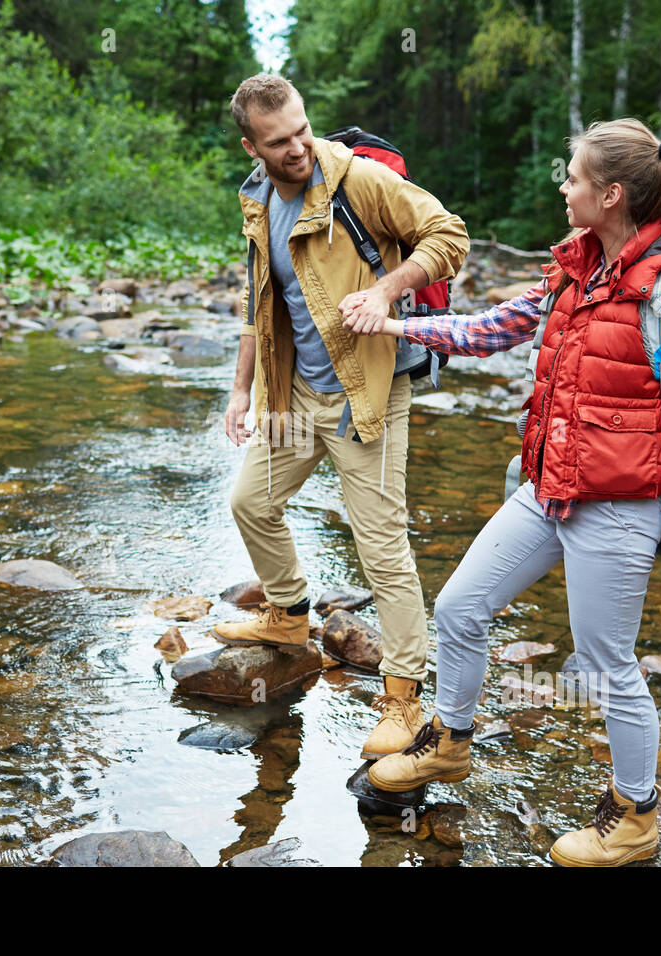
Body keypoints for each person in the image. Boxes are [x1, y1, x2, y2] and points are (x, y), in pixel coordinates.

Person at [350, 118, 661, 866]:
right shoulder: (575, 267)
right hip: (547, 490)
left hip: (620, 506)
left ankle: (634, 819)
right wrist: (399, 326)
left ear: (612, 194)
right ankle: (449, 745)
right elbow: (498, 328)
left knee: (604, 667)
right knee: (459, 608)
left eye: (574, 178)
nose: (564, 188)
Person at [212, 73, 469, 760]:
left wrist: (387, 290)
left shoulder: (359, 182)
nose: (299, 148)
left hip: (368, 397)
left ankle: (403, 697)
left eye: (302, 130)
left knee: (382, 550)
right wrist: (242, 392)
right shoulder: (257, 199)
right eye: (279, 141)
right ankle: (289, 615)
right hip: (297, 397)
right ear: (252, 147)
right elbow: (258, 304)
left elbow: (449, 234)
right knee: (249, 501)